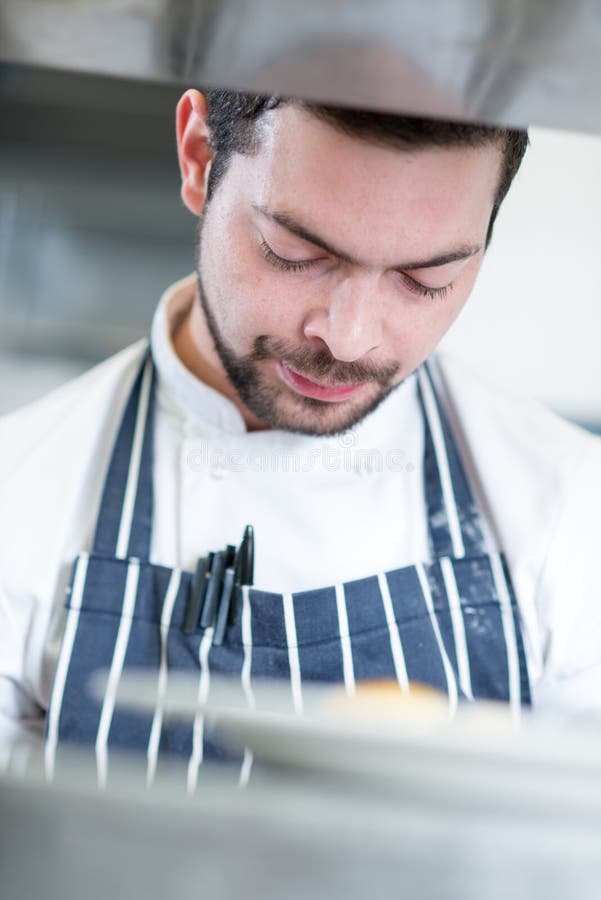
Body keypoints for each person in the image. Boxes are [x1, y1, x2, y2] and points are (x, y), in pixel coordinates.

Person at [1, 89, 600, 786]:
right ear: (198, 156)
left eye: (424, 280)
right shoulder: (18, 497)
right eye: (295, 252)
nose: (347, 337)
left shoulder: (568, 509)